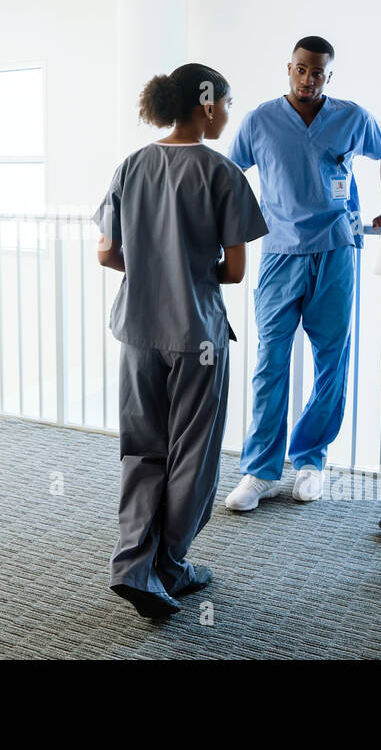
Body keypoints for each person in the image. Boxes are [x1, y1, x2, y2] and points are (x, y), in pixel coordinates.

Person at [94, 62, 268, 619]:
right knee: (192, 455)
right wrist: (189, 269)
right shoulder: (222, 174)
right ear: (206, 105)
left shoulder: (132, 165)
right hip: (198, 336)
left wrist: (150, 267)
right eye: (228, 102)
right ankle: (167, 564)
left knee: (143, 448)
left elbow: (106, 252)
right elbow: (236, 271)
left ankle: (131, 563)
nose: (229, 113)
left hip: (139, 330)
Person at [223, 36, 381, 511]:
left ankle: (310, 460)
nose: (308, 79)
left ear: (329, 75)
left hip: (337, 251)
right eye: (301, 69)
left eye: (317, 72)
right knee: (270, 362)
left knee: (331, 361)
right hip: (281, 253)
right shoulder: (260, 120)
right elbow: (229, 172)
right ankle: (259, 471)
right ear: (289, 68)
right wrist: (237, 224)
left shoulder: (351, 116)